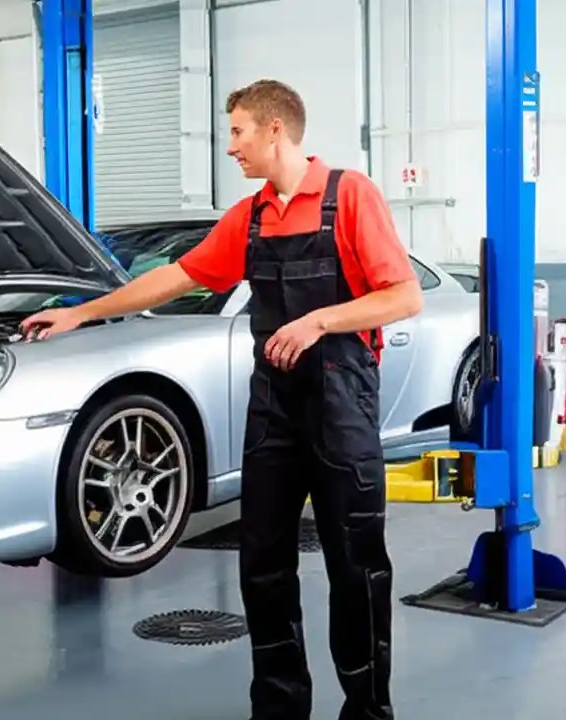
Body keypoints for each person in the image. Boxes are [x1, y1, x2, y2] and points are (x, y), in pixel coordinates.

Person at [21, 79, 422, 720]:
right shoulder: (252, 216)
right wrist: (84, 313)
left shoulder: (349, 196)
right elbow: (174, 277)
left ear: (274, 130)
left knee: (357, 562)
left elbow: (403, 296)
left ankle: (368, 711)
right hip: (275, 409)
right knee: (262, 564)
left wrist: (318, 321)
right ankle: (280, 707)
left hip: (342, 402)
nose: (229, 147)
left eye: (237, 132)